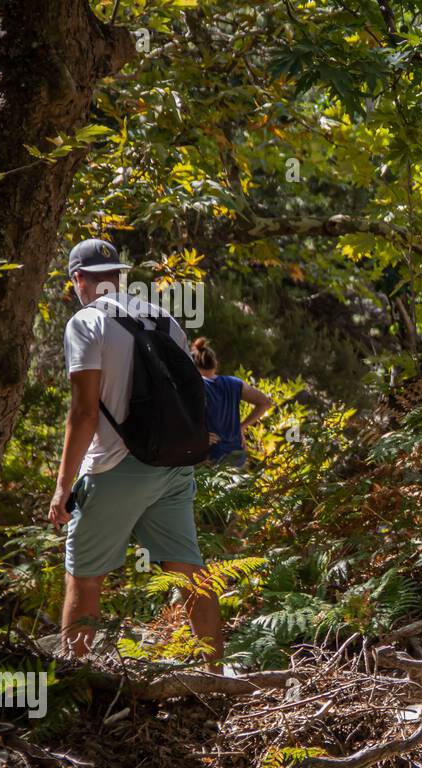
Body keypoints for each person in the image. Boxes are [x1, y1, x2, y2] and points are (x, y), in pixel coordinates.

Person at [47, 239, 222, 665]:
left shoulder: (86, 323)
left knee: (84, 580)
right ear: (119, 275)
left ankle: (76, 686)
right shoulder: (162, 319)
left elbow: (85, 413)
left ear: (77, 279)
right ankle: (216, 676)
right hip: (172, 465)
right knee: (191, 574)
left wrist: (62, 487)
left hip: (113, 468)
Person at [188, 338, 273, 466]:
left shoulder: (195, 385)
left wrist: (198, 436)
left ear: (193, 364)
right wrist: (242, 427)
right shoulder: (234, 383)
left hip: (208, 459)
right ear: (215, 363)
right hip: (237, 458)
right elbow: (265, 403)